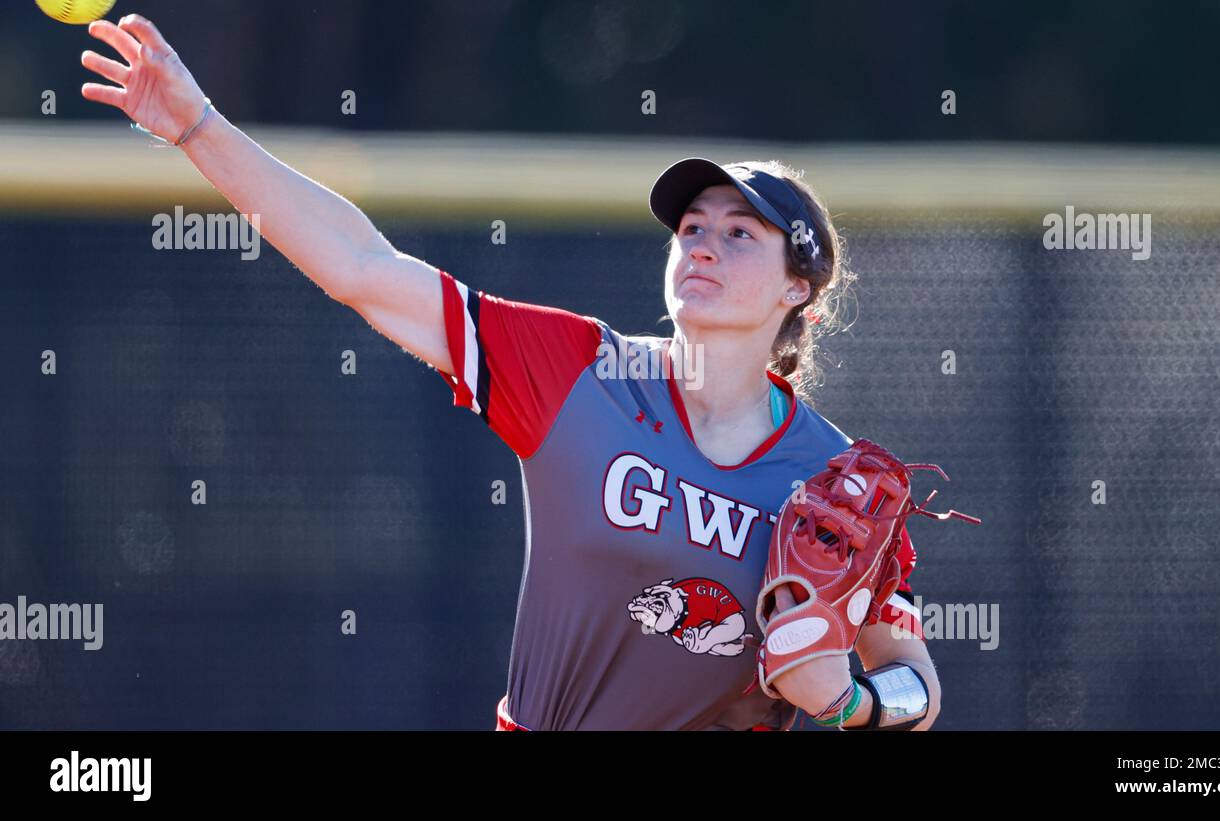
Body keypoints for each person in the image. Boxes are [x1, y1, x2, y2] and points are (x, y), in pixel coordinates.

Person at [80, 14, 942, 731]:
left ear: (801, 288)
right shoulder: (579, 371)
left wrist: (853, 705)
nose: (702, 244)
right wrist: (198, 127)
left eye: (738, 232)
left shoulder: (835, 482)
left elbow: (920, 686)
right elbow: (364, 268)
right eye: (690, 228)